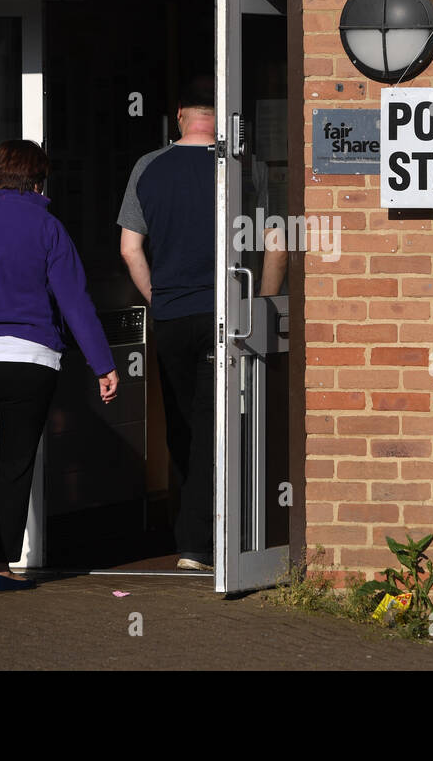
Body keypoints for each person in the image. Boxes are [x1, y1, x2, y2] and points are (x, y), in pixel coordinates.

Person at [0, 139, 119, 600]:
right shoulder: (48, 227)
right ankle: (1, 566)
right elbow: (75, 302)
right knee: (13, 462)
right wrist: (103, 365)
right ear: (38, 180)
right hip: (29, 360)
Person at [117, 80, 285, 572]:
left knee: (185, 427)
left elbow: (130, 249)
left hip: (172, 317)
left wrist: (160, 298)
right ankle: (224, 542)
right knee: (228, 426)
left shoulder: (148, 167)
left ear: (180, 116)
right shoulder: (244, 166)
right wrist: (263, 306)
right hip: (230, 316)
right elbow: (275, 242)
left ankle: (193, 542)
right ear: (223, 116)